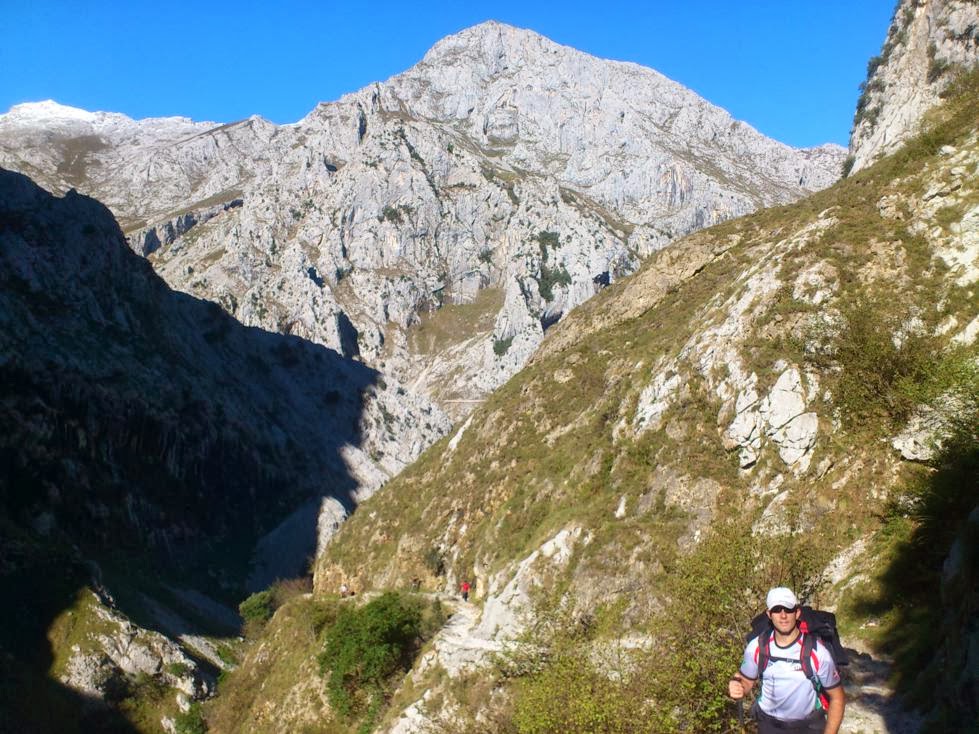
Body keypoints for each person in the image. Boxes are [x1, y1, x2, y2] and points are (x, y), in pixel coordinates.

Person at [729, 587, 845, 733]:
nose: (783, 615)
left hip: (808, 727)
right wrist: (737, 685)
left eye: (788, 609)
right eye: (777, 610)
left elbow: (837, 698)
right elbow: (745, 680)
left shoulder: (818, 652)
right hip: (769, 726)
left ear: (797, 613)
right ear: (769, 614)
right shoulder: (757, 647)